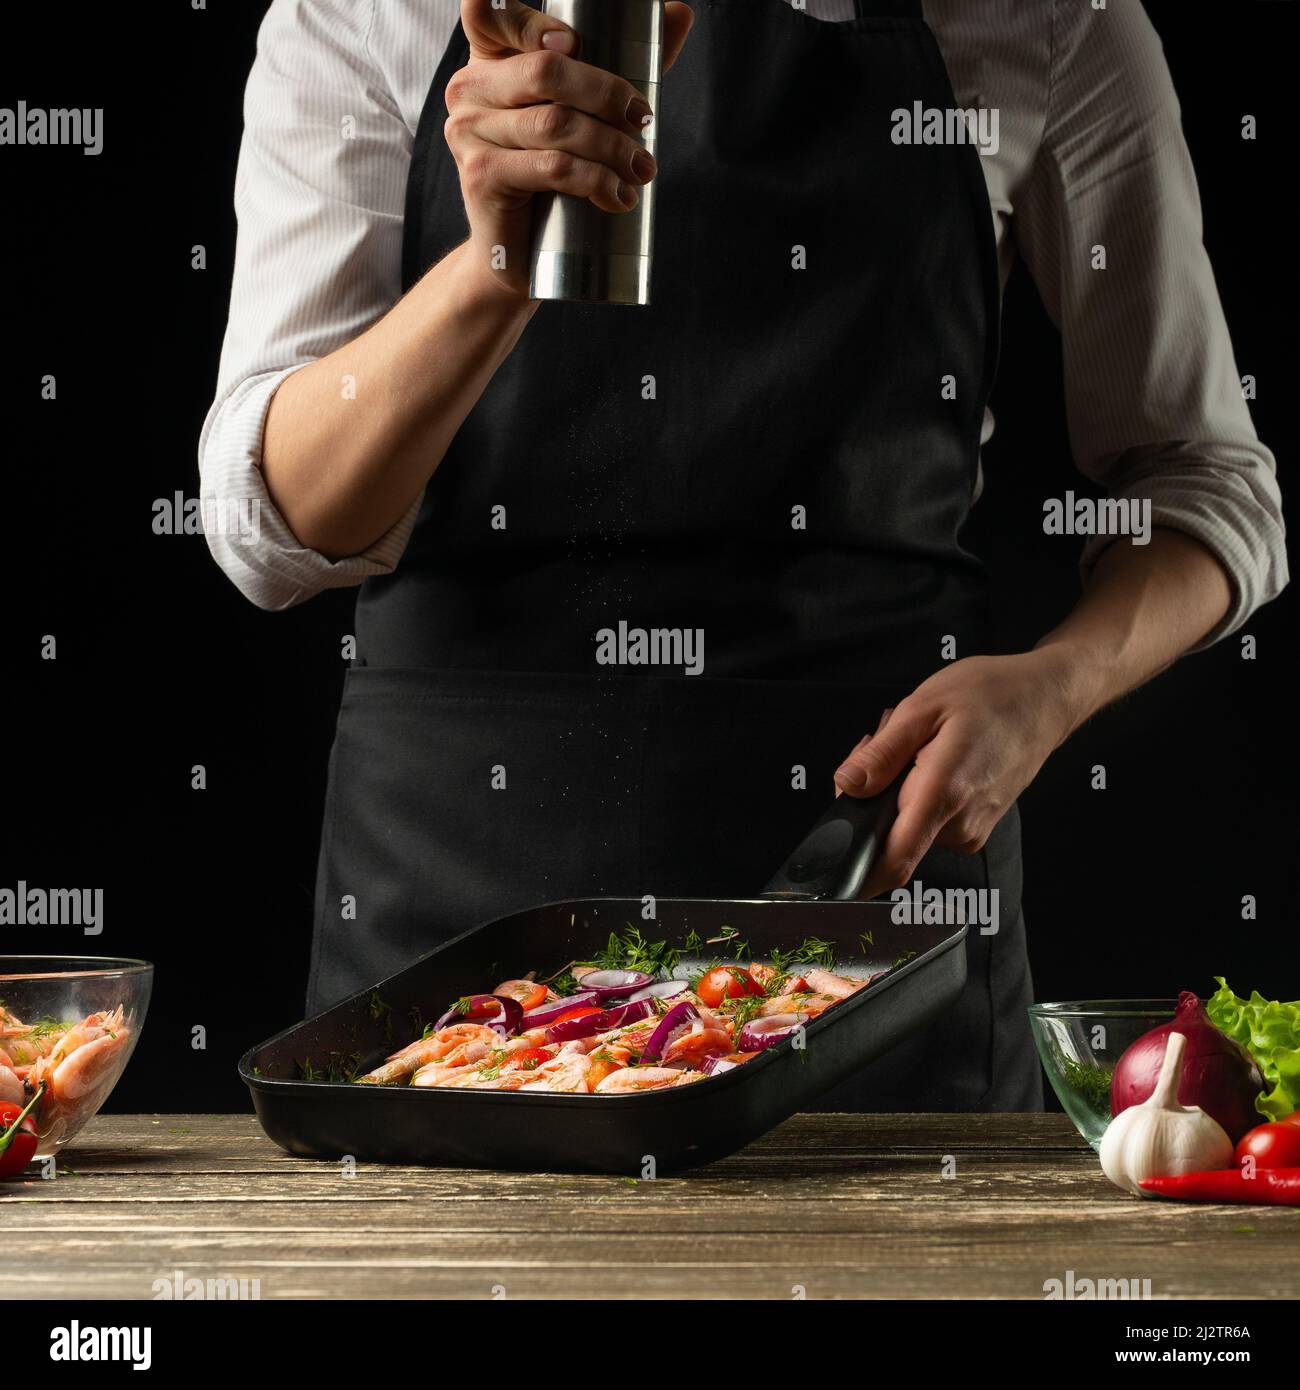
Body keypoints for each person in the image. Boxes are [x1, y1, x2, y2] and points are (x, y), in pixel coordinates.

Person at [199, 0, 1286, 1111]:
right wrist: (497, 259)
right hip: (456, 888)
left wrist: (1057, 684)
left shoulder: (1045, 21)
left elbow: (1206, 477)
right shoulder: (363, 16)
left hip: (866, 872)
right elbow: (273, 533)